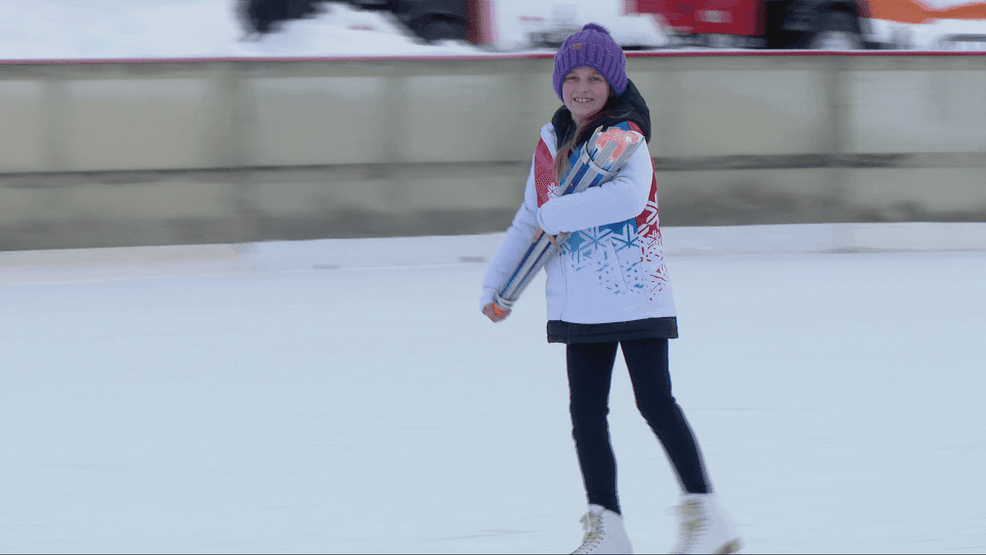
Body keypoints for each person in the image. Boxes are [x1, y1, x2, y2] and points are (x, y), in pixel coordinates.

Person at [480, 23, 742, 555]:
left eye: (594, 77)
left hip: (633, 289)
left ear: (613, 82)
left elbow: (629, 196)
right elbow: (529, 218)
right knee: (586, 415)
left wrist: (561, 210)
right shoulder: (552, 139)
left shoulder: (625, 133)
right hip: (579, 303)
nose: (581, 87)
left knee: (655, 401)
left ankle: (707, 513)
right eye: (572, 77)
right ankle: (608, 529)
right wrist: (498, 284)